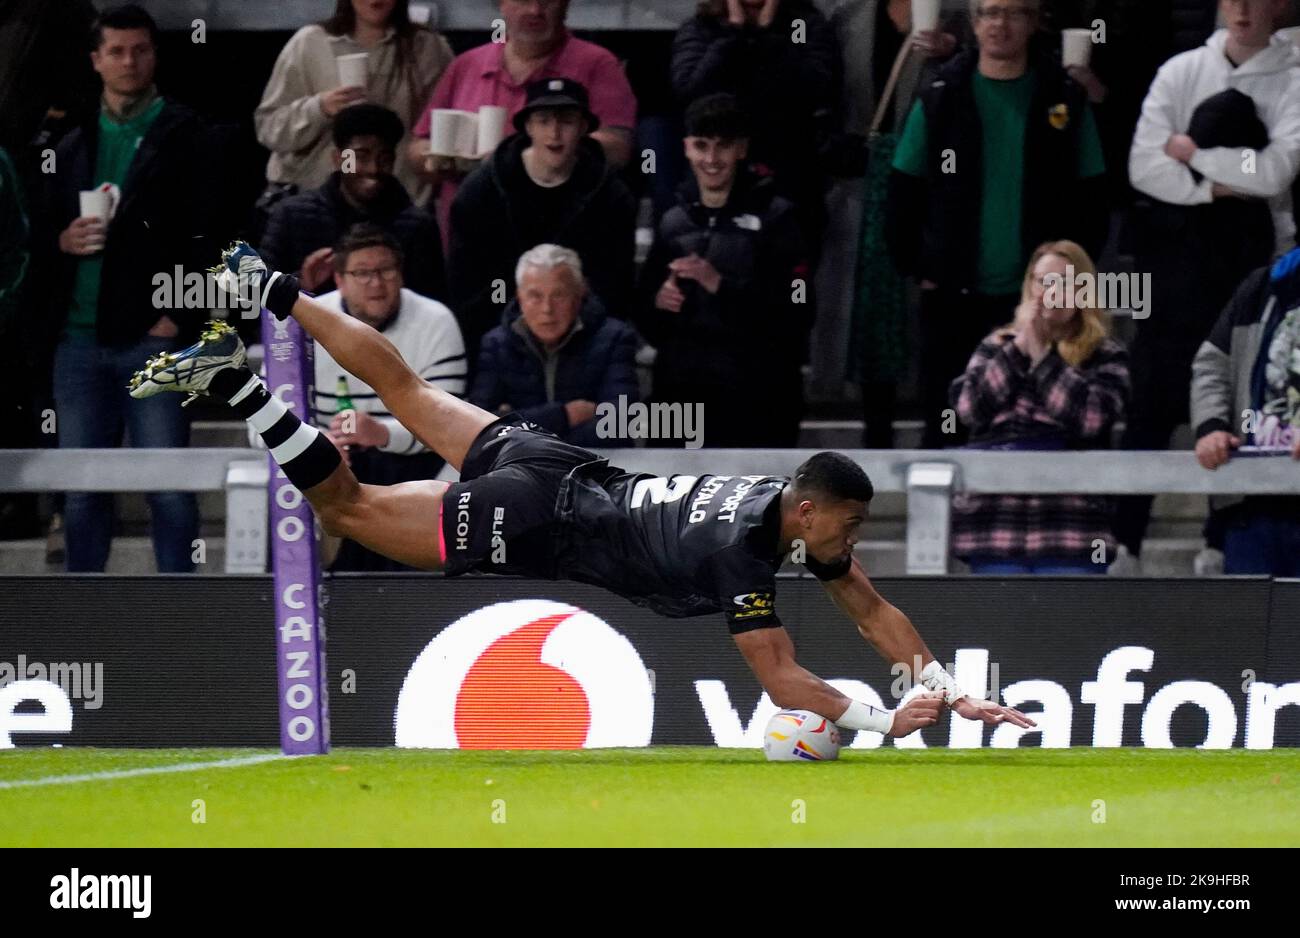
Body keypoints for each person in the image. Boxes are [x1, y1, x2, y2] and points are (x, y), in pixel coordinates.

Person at [128, 240, 1035, 741]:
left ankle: (270, 283)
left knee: (404, 389)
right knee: (349, 508)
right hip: (538, 518)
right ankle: (238, 385)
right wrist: (884, 720)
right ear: (807, 512)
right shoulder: (743, 558)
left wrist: (951, 694)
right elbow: (787, 680)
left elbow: (874, 614)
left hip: (553, 458)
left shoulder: (778, 505)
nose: (852, 541)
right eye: (849, 525)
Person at [33, 4, 238, 573]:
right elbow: (36, 231)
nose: (129, 61)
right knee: (80, 488)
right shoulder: (69, 140)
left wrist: (178, 318)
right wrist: (62, 241)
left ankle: (178, 609)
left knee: (169, 485)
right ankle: (84, 610)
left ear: (155, 54)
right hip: (77, 340)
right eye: (117, 51)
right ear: (96, 60)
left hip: (156, 340)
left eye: (140, 49)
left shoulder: (189, 133)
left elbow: (210, 235)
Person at [1115, 0, 1300, 567]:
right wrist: (1218, 184)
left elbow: (1275, 172)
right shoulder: (1181, 71)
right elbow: (1145, 165)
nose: (1243, 10)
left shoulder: (1291, 79)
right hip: (1178, 259)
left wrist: (1194, 155)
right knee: (1152, 393)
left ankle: (1220, 537)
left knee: (1241, 393)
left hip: (1254, 260)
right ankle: (1123, 537)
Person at [885, 0, 1109, 449]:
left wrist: (1072, 276)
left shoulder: (1062, 96)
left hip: (1040, 300)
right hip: (954, 297)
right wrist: (919, 266)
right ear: (974, 23)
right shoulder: (941, 94)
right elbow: (903, 190)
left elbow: (1092, 195)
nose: (1000, 24)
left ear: (1032, 22)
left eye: (1014, 13)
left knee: (1044, 424)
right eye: (989, 13)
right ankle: (942, 521)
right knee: (947, 427)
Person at [637, 93, 812, 448]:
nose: (712, 159)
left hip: (757, 393)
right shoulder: (672, 220)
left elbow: (798, 313)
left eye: (723, 147)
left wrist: (719, 285)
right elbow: (646, 317)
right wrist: (659, 301)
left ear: (742, 150)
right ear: (686, 148)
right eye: (702, 146)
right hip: (682, 392)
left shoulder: (778, 219)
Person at [949, 240, 1130, 573]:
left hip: (1071, 524)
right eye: (1042, 281)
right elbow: (969, 409)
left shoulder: (1106, 355)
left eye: (1063, 282)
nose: (1051, 292)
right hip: (995, 524)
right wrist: (1020, 348)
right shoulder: (996, 346)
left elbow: (1091, 419)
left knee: (1059, 624)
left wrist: (1044, 358)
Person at [407, 0, 637, 249]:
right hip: (473, 240)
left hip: (558, 243)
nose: (535, 10)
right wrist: (438, 158)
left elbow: (618, 149)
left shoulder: (597, 63)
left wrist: (527, 155)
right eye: (523, 0)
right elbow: (418, 147)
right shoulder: (467, 64)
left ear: (566, 6)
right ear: (501, 4)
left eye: (547, 1)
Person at [303, 225, 465, 571]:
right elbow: (262, 426)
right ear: (339, 279)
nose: (376, 283)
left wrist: (381, 432)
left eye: (386, 271)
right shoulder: (306, 321)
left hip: (411, 468)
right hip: (328, 466)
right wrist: (318, 444)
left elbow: (451, 426)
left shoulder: (437, 322)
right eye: (362, 273)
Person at [448, 79, 635, 358]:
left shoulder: (610, 195)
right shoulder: (482, 191)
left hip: (582, 337)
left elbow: (613, 286)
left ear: (584, 128)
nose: (555, 133)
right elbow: (466, 282)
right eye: (544, 121)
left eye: (567, 121)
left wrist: (572, 322)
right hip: (497, 334)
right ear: (528, 127)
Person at [671, 0, 840, 256]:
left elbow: (815, 86)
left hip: (788, 170)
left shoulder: (802, 24)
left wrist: (767, 37)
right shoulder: (703, 27)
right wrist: (733, 35)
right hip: (716, 169)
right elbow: (690, 89)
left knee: (789, 272)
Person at [254, 0, 454, 209]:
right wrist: (319, 108)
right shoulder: (311, 43)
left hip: (396, 206)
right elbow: (269, 128)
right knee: (239, 243)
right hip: (313, 200)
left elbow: (448, 126)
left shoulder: (427, 48)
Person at [260, 103, 446, 302]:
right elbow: (254, 292)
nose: (373, 169)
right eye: (360, 157)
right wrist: (301, 283)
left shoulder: (417, 226)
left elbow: (432, 302)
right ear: (338, 159)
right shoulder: (292, 215)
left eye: (384, 159)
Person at [1191, 245, 1300, 575]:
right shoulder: (1261, 287)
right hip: (1252, 504)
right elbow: (1212, 364)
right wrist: (1211, 427)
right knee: (1254, 624)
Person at [469, 245, 639, 448]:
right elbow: (478, 427)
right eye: (535, 296)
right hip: (519, 470)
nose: (547, 309)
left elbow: (619, 424)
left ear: (578, 296)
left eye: (558, 295)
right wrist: (563, 416)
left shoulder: (615, 338)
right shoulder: (496, 344)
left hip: (597, 465)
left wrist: (516, 424)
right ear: (520, 297)